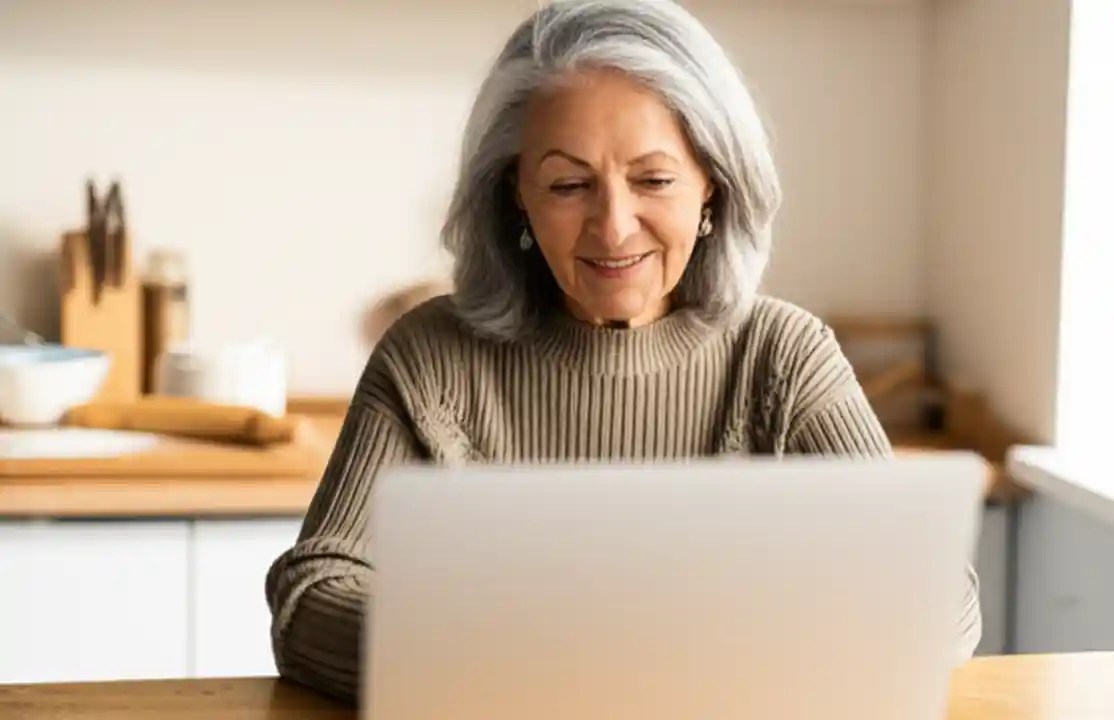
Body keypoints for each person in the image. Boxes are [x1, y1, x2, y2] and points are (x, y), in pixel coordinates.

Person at [266, 0, 980, 703]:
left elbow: (939, 603)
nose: (613, 227)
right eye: (568, 185)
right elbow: (312, 596)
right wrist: (519, 663)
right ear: (516, 196)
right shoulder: (429, 357)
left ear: (713, 186)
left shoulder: (783, 356)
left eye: (654, 179)